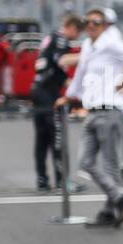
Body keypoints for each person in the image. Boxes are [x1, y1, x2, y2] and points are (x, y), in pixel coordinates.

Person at [57, 8, 123, 228]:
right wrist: (68, 98)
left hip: (111, 109)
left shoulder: (110, 43)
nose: (91, 25)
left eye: (96, 22)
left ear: (105, 24)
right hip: (94, 110)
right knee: (85, 162)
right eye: (88, 21)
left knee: (110, 165)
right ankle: (118, 198)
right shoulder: (89, 45)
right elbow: (80, 73)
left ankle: (110, 211)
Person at [31, 13, 85, 191]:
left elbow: (58, 73)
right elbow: (62, 61)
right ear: (71, 27)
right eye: (78, 32)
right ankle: (62, 182)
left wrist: (77, 88)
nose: (77, 36)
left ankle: (42, 180)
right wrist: (88, 56)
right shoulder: (61, 40)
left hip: (39, 89)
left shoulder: (51, 37)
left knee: (42, 139)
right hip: (48, 94)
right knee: (57, 137)